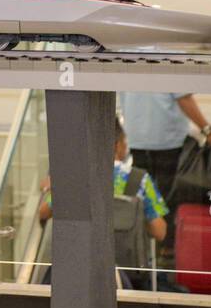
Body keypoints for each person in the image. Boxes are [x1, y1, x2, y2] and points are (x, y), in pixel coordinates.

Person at [37, 118, 168, 288]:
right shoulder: (140, 179)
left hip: (79, 269)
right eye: (124, 142)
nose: (126, 147)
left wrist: (53, 187)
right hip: (126, 275)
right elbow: (160, 232)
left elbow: (44, 212)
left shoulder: (74, 175)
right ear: (116, 145)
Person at [117, 92, 211, 203]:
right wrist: (209, 132)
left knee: (140, 203)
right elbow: (184, 99)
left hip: (137, 141)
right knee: (168, 202)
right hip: (169, 143)